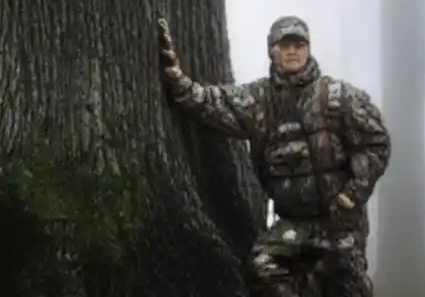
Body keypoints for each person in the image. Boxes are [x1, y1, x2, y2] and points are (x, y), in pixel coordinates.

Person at [157, 15, 390, 297]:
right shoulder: (259, 99)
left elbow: (376, 143)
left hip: (340, 223)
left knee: (346, 285)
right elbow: (211, 102)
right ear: (272, 51)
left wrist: (352, 194)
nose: (292, 50)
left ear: (308, 49)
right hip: (292, 224)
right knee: (264, 271)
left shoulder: (339, 97)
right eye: (285, 44)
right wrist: (175, 78)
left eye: (299, 44)